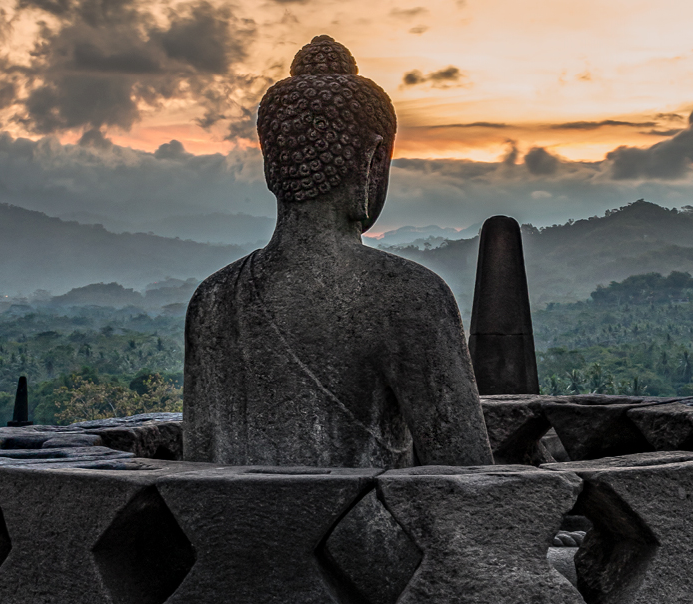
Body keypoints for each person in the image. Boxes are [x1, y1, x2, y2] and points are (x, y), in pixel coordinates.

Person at [183, 35, 492, 468]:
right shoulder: (409, 295)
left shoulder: (212, 299)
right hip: (366, 533)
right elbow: (471, 479)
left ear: (271, 165)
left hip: (231, 535)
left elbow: (197, 467)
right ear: (373, 163)